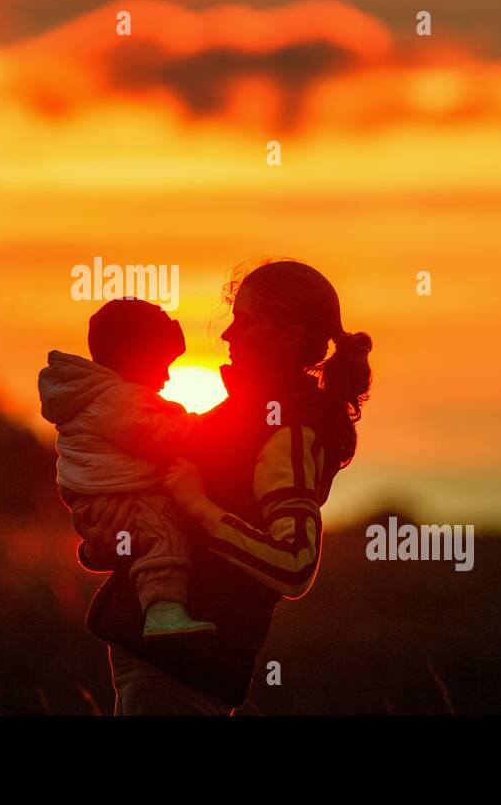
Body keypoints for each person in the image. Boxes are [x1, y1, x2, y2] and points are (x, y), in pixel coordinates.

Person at [86, 260, 373, 714]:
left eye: (245, 321)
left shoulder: (292, 430)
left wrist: (199, 507)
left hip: (184, 667)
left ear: (291, 334)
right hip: (161, 659)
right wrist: (113, 542)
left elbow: (295, 561)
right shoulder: (243, 414)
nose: (227, 335)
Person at [37, 298, 213, 640]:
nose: (166, 376)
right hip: (116, 501)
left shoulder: (98, 396)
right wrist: (211, 427)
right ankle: (164, 611)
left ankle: (108, 550)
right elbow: (160, 437)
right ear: (130, 355)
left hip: (99, 504)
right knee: (164, 528)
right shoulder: (117, 400)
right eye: (161, 364)